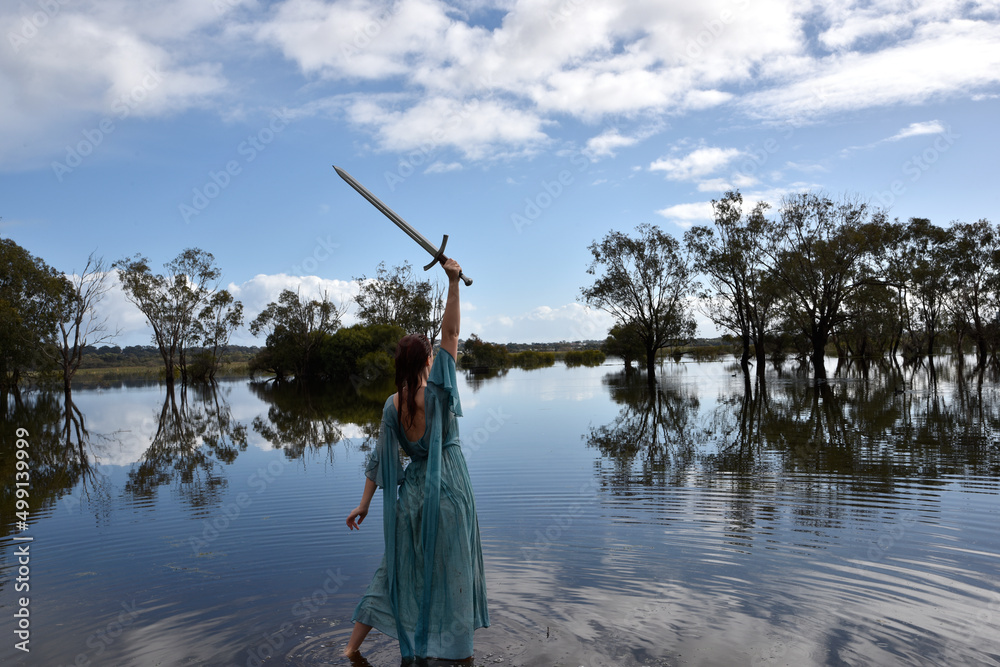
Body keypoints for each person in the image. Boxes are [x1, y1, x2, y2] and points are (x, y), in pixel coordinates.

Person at [344, 257, 489, 662]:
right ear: (429, 361)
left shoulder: (393, 406)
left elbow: (379, 463)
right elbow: (452, 331)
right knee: (451, 573)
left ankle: (352, 648)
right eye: (433, 354)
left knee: (394, 571)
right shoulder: (439, 394)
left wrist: (364, 505)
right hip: (449, 493)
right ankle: (456, 655)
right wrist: (454, 281)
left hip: (412, 500)